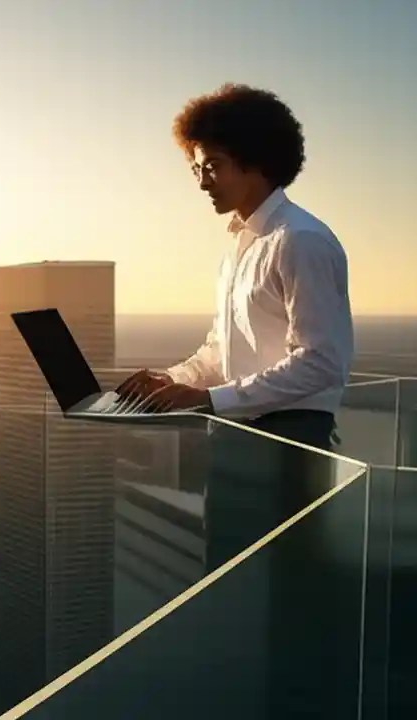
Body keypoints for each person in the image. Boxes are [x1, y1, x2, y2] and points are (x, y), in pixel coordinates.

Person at [118, 84, 357, 718]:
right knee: (235, 602)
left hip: (291, 445)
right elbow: (221, 350)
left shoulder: (300, 241)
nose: (200, 181)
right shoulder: (240, 248)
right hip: (243, 443)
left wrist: (210, 399)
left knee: (286, 608)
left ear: (257, 160)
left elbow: (321, 363)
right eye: (195, 167)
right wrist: (168, 383)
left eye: (212, 166)